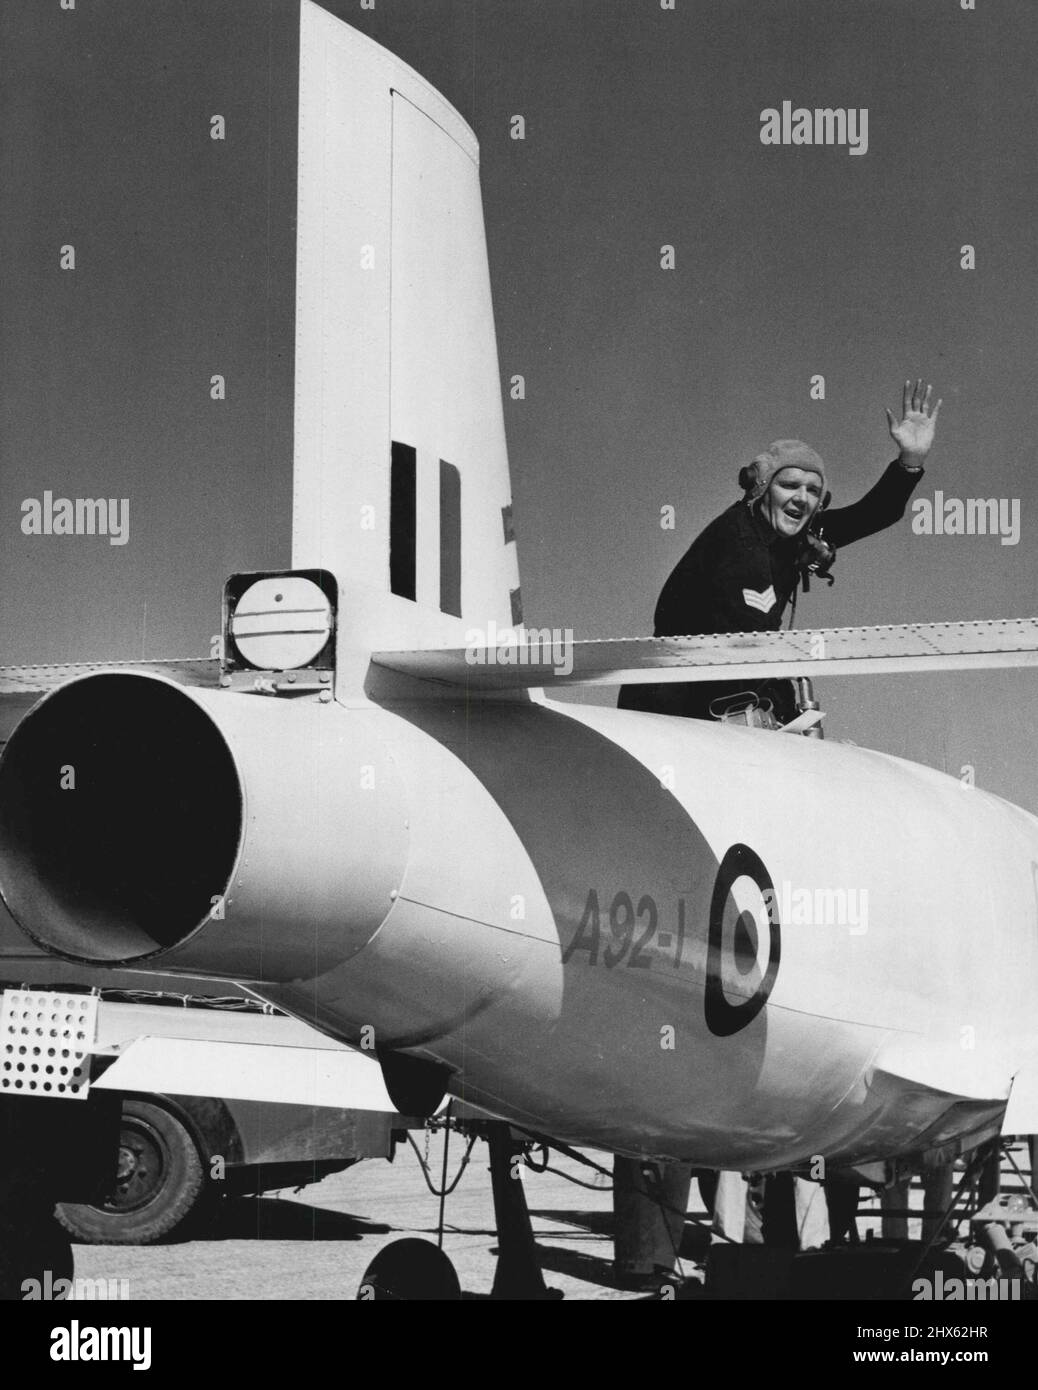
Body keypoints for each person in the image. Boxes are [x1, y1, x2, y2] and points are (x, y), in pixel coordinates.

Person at [618, 379, 941, 725]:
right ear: (761, 488)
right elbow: (751, 645)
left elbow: (876, 513)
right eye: (789, 485)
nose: (801, 498)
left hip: (723, 699)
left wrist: (911, 459)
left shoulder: (795, 533)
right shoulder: (736, 542)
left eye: (813, 491)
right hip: (672, 711)